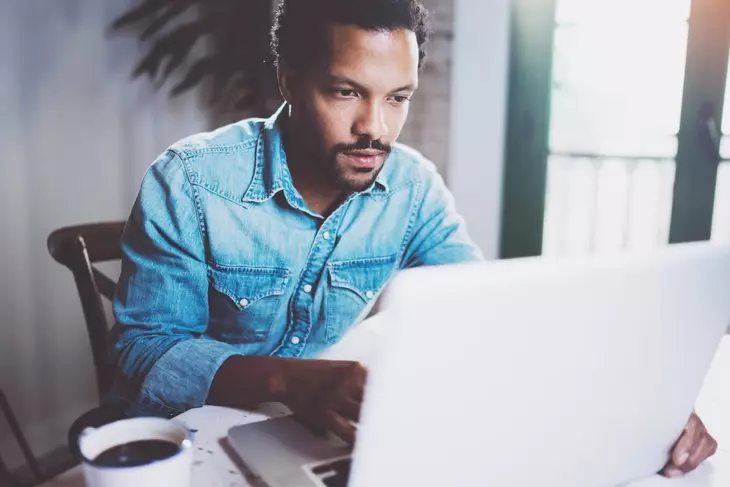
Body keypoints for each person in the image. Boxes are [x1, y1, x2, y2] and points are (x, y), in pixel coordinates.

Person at [108, 0, 715, 477]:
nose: (375, 128)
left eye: (397, 98)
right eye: (346, 92)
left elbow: (492, 314)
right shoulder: (189, 180)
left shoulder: (413, 187)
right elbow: (143, 355)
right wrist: (290, 381)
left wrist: (636, 404)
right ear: (290, 79)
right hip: (185, 448)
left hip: (307, 441)